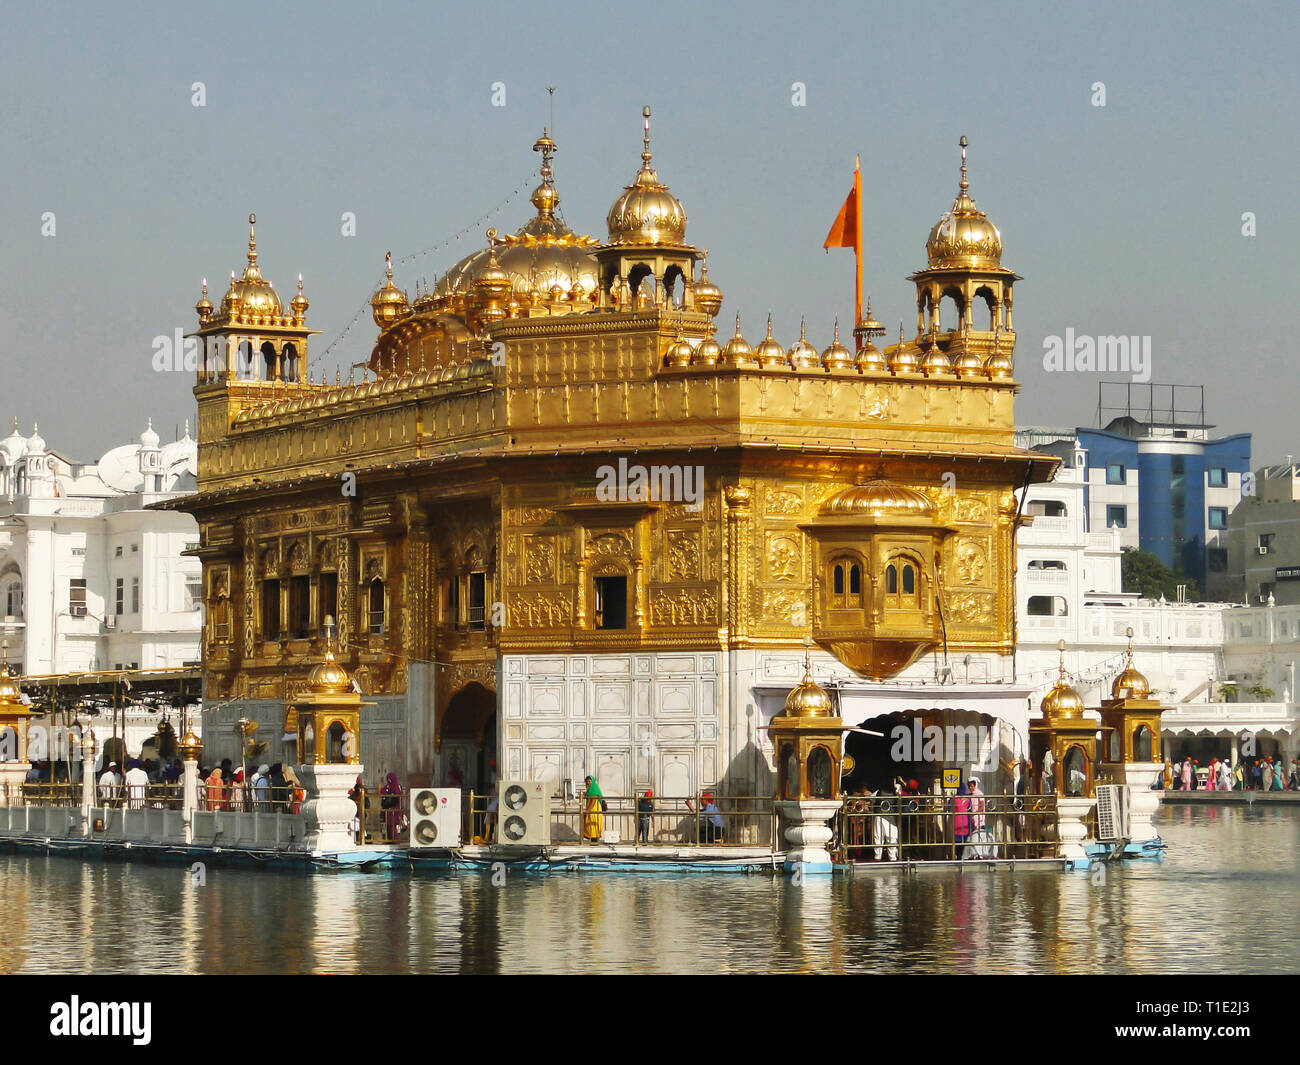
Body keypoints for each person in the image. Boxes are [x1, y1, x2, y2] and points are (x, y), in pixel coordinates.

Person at [380, 772, 404, 840]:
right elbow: (382, 791)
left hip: (393, 809)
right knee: (389, 827)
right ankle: (390, 840)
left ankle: (394, 840)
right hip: (390, 809)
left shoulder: (395, 787)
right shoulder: (391, 786)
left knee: (392, 827)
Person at [581, 775, 604, 842]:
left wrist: (588, 810)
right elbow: (586, 795)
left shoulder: (594, 789)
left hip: (594, 809)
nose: (588, 783)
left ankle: (594, 841)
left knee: (593, 825)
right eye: (587, 781)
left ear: (592, 782)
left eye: (589, 781)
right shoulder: (589, 790)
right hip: (591, 809)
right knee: (590, 825)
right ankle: (593, 840)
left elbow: (593, 801)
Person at [952, 782, 971, 858]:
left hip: (957, 821)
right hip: (965, 821)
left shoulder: (955, 799)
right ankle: (961, 855)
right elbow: (970, 810)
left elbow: (949, 808)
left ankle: (958, 855)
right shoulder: (968, 799)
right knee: (964, 839)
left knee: (957, 840)